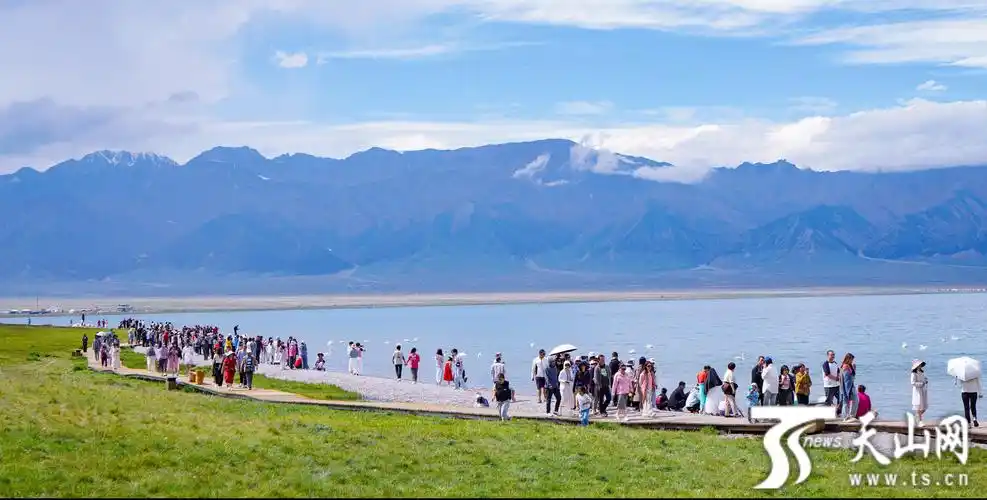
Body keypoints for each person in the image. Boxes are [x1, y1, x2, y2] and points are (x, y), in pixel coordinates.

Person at [822, 350, 841, 416]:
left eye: (833, 355)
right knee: (828, 401)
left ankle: (838, 412)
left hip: (836, 385)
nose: (833, 356)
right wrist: (836, 378)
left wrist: (838, 377)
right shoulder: (825, 364)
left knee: (841, 398)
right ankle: (826, 414)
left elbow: (838, 371)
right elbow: (827, 374)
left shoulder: (835, 363)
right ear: (828, 355)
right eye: (831, 355)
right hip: (828, 386)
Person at [839, 353, 858, 422]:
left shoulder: (849, 366)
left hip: (849, 387)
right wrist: (848, 391)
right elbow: (847, 380)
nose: (852, 361)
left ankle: (847, 416)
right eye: (851, 359)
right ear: (848, 359)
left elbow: (852, 378)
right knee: (851, 401)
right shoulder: (845, 367)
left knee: (847, 402)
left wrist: (854, 369)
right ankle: (848, 416)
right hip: (849, 387)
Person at [911, 359, 929, 425]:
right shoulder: (913, 373)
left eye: (921, 364)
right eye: (919, 364)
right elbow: (912, 382)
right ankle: (920, 421)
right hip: (917, 391)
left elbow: (924, 379)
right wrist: (921, 383)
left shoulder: (921, 372)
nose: (920, 365)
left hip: (923, 390)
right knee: (919, 406)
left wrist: (926, 380)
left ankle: (916, 417)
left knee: (924, 407)